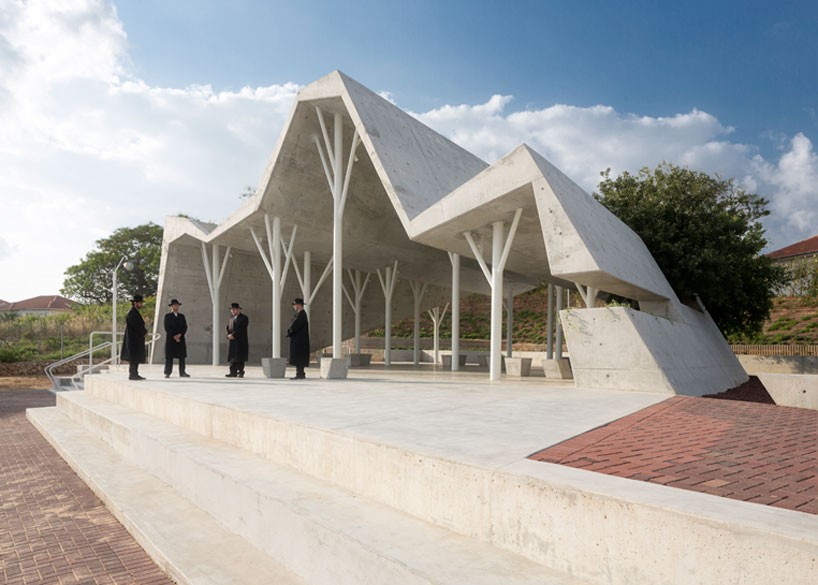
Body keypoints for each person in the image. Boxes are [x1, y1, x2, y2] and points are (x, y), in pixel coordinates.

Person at [121, 294, 148, 381]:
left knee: (136, 357)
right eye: (140, 303)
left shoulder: (135, 312)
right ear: (135, 303)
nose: (141, 305)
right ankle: (132, 374)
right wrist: (143, 331)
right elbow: (135, 325)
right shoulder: (132, 313)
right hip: (133, 339)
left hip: (137, 339)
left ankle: (135, 373)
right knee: (133, 357)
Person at [163, 298, 189, 378]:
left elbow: (185, 326)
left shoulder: (182, 316)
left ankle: (182, 372)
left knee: (182, 357)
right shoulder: (167, 316)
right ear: (171, 307)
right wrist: (174, 336)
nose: (176, 307)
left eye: (177, 305)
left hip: (180, 338)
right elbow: (167, 327)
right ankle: (167, 372)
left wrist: (180, 334)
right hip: (171, 339)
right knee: (169, 357)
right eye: (174, 305)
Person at [286, 298, 310, 380]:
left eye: (294, 304)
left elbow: (295, 325)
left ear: (299, 305)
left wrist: (290, 331)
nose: (294, 306)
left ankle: (300, 374)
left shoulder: (301, 314)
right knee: (298, 357)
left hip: (300, 340)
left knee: (299, 356)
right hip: (298, 339)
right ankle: (299, 373)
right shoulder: (299, 314)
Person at [226, 302, 249, 378]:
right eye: (232, 310)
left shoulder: (244, 318)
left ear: (238, 310)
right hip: (232, 341)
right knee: (232, 357)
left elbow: (241, 329)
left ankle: (240, 372)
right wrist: (228, 335)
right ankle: (233, 372)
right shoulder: (231, 318)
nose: (233, 311)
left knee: (239, 357)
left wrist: (234, 335)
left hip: (240, 341)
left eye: (234, 309)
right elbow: (228, 328)